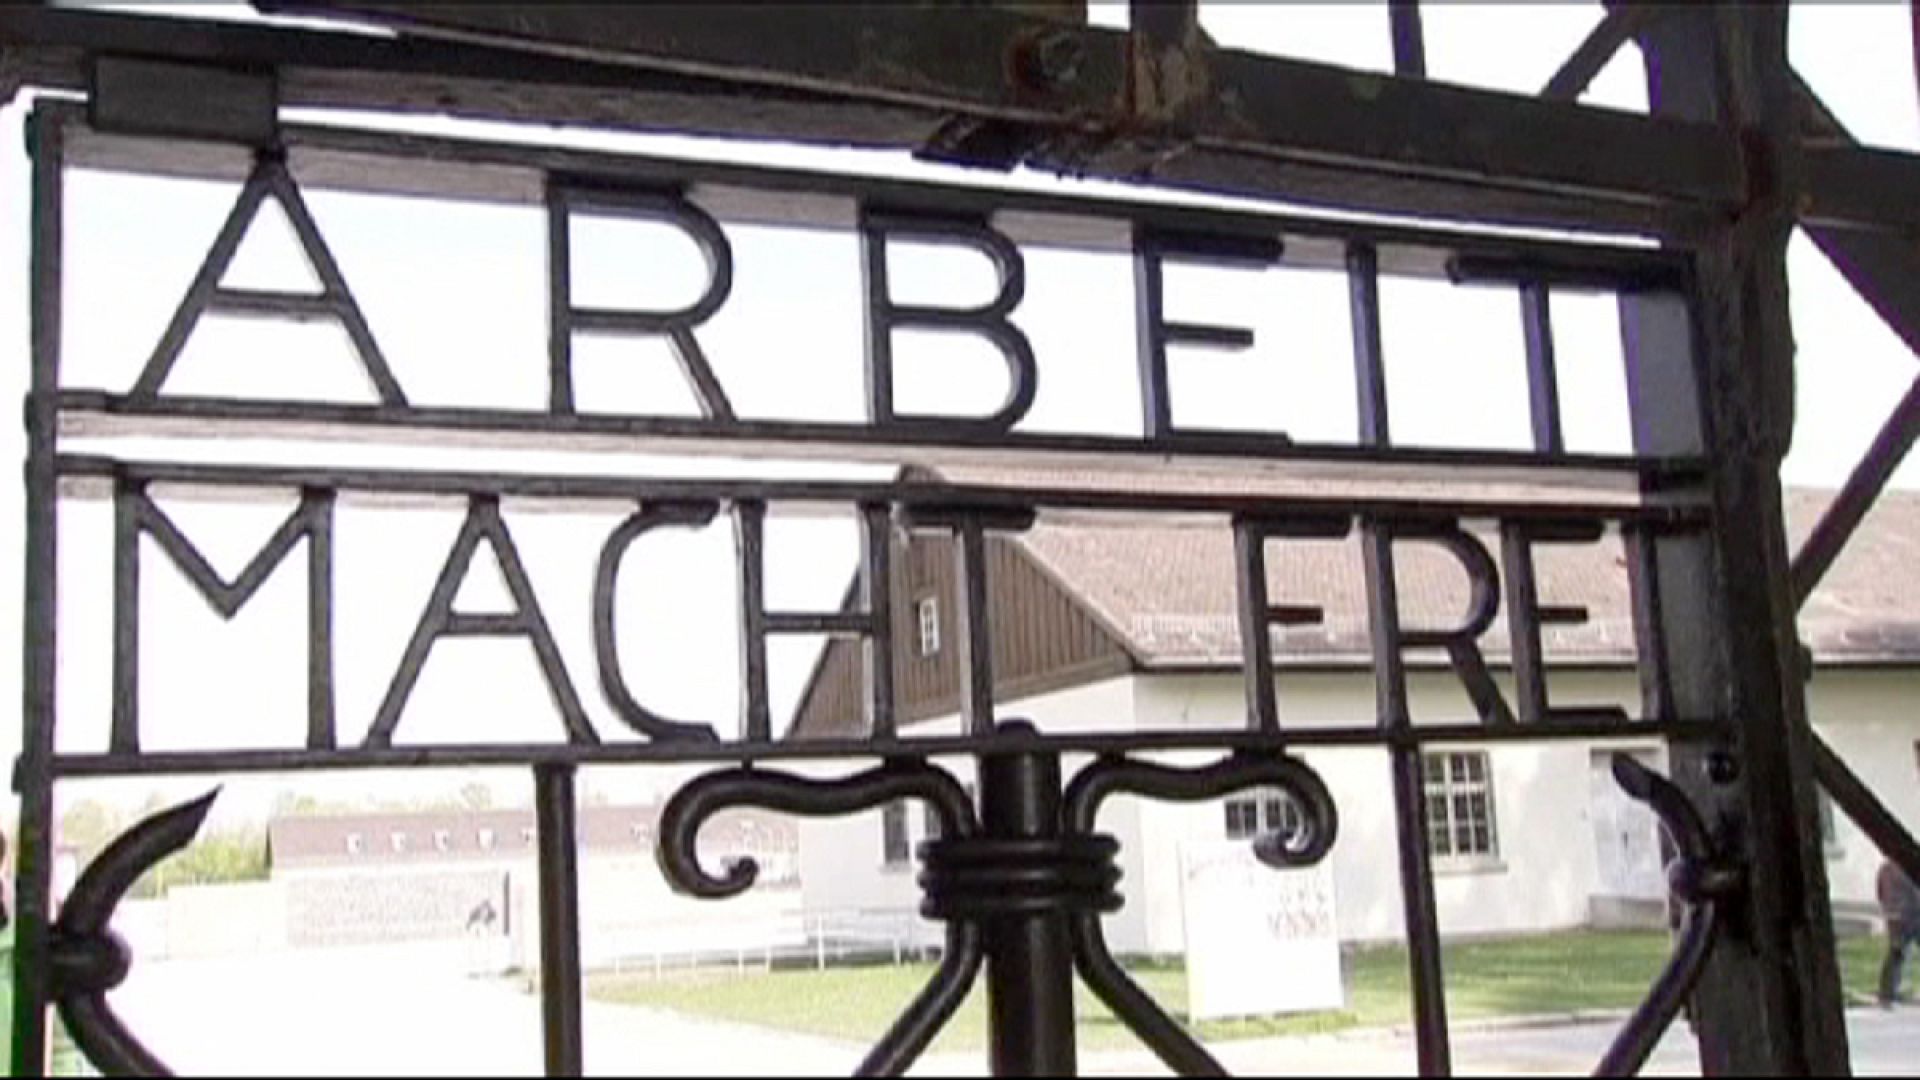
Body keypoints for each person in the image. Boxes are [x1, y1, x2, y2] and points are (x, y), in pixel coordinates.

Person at [1877, 859, 1920, 1007]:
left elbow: (1880, 892)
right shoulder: (1910, 867)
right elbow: (1915, 894)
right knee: (1896, 955)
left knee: (1896, 955)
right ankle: (1887, 994)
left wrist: (1888, 909)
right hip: (1913, 915)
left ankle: (1887, 994)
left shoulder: (1886, 868)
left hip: (1895, 916)